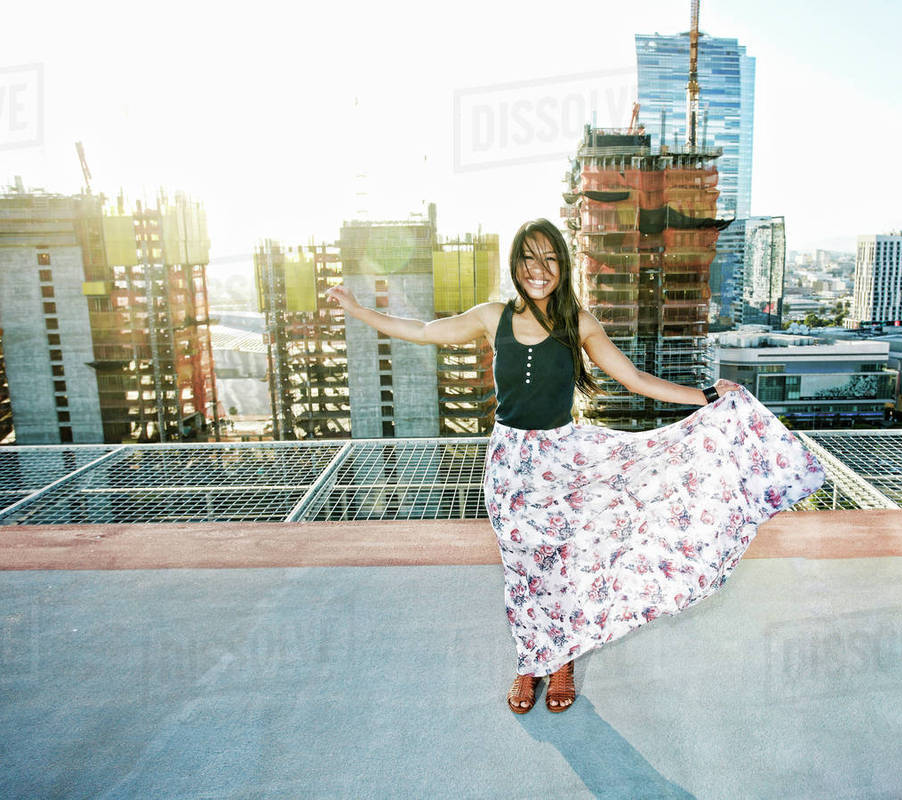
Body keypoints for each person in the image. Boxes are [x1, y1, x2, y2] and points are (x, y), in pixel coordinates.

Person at [326, 218, 824, 714]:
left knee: (563, 566)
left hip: (564, 460)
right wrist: (358, 310)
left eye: (549, 259)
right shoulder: (491, 316)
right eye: (529, 258)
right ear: (516, 264)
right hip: (510, 464)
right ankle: (530, 662)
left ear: (562, 267)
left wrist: (707, 395)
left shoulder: (579, 323)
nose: (538, 270)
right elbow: (423, 330)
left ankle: (560, 660)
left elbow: (632, 379)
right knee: (521, 568)